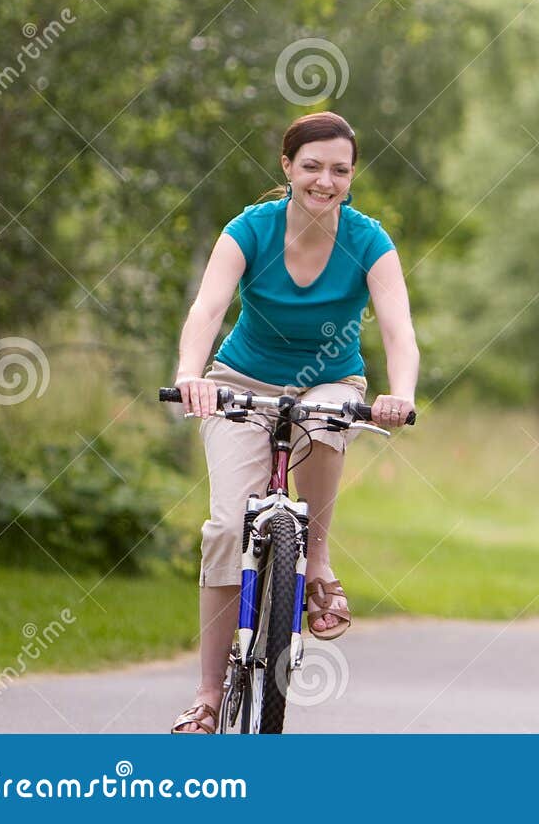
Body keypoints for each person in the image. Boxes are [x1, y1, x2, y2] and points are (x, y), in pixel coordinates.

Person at [168, 112, 418, 734]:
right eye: (312, 167)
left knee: (332, 419)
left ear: (352, 175)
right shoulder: (249, 230)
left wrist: (401, 392)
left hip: (330, 382)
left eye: (339, 170)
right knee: (228, 526)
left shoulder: (367, 241)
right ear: (287, 168)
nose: (325, 181)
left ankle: (319, 556)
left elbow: (398, 329)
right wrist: (191, 374)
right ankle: (206, 696)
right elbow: (208, 308)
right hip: (240, 383)